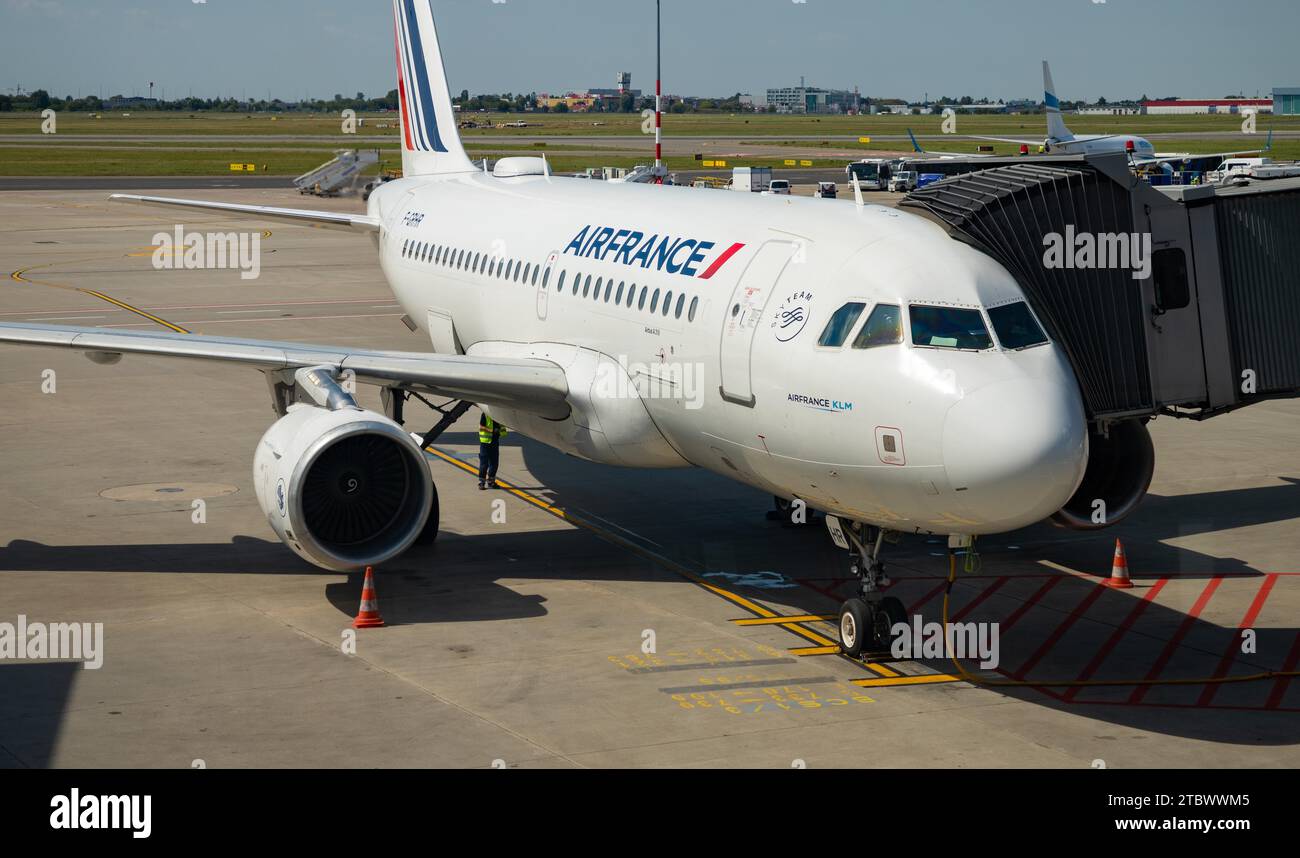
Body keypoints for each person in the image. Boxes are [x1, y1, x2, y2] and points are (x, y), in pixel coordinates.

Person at [477, 413, 508, 490]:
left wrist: (500, 431)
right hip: (486, 442)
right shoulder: (485, 414)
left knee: (494, 463)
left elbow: (503, 429)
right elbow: (481, 427)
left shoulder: (499, 415)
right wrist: (492, 430)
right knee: (484, 463)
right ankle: (481, 482)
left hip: (495, 442)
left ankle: (491, 482)